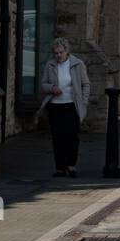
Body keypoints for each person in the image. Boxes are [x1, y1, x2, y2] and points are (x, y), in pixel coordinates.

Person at [40, 38, 90, 177]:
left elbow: (85, 84)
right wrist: (52, 87)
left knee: (72, 137)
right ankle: (60, 168)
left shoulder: (77, 64)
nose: (58, 56)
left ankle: (71, 165)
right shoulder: (50, 65)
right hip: (55, 106)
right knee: (58, 138)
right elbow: (43, 84)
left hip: (72, 106)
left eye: (61, 52)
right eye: (55, 53)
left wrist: (83, 102)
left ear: (67, 51)